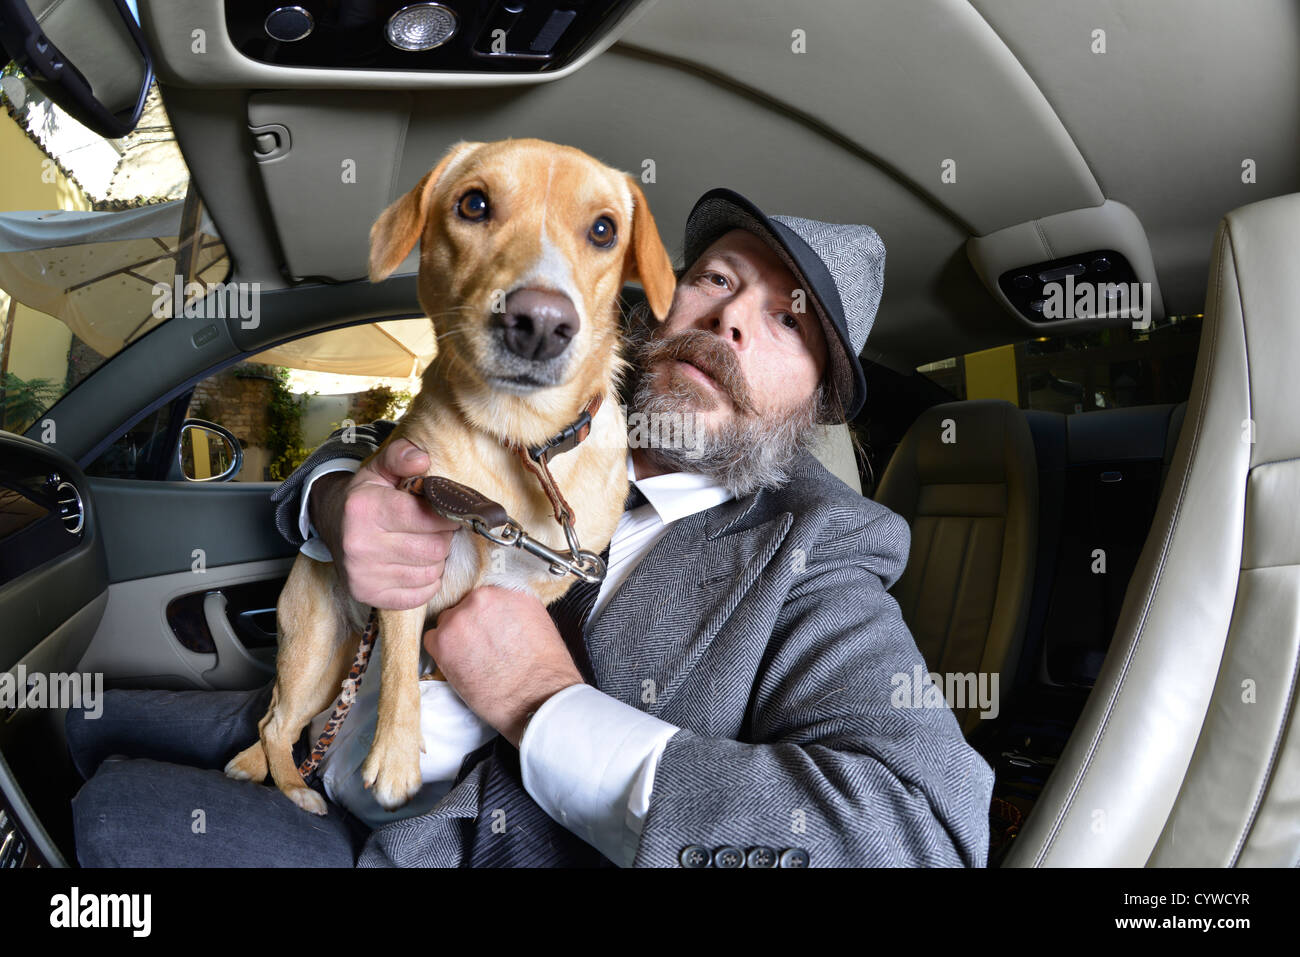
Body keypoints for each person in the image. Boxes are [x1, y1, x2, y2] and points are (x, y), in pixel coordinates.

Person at [68, 188, 995, 867]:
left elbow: (921, 834)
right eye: (717, 278)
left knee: (106, 823)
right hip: (320, 721)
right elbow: (377, 451)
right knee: (64, 721)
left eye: (787, 324)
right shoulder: (549, 403)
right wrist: (342, 503)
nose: (729, 325)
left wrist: (542, 702)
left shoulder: (822, 557)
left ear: (816, 407)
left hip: (419, 844)